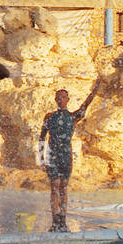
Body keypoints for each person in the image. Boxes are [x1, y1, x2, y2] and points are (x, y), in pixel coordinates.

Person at [39, 79, 103, 232]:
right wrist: (41, 159)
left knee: (64, 189)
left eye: (63, 97)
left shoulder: (74, 117)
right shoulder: (49, 117)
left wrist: (94, 91)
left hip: (66, 157)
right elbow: (41, 137)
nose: (61, 99)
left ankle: (63, 222)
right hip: (52, 156)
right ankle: (55, 222)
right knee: (54, 187)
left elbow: (86, 105)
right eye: (58, 97)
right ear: (55, 100)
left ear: (67, 100)